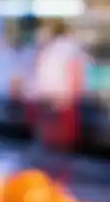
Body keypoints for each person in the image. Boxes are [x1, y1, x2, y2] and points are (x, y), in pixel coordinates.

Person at [32, 20, 90, 164]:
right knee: (57, 133)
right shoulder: (64, 47)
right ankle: (55, 160)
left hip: (55, 93)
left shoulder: (58, 47)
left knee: (54, 131)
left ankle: (52, 160)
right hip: (59, 93)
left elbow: (73, 69)